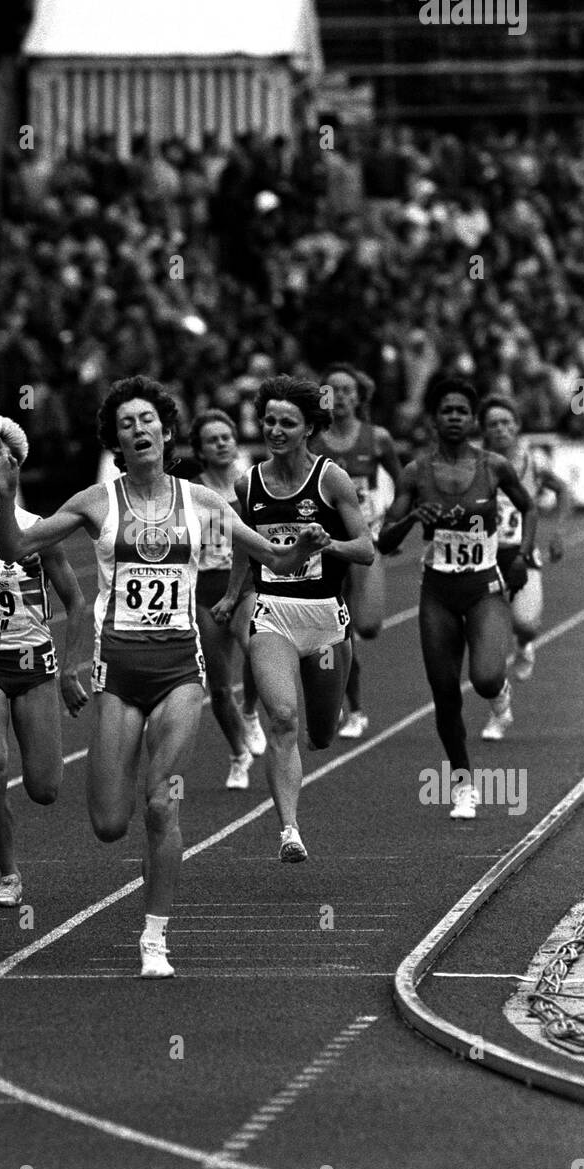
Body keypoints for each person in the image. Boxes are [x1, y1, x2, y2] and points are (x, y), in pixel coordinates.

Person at [0, 374, 329, 978]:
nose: (138, 430)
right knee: (110, 823)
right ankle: (149, 876)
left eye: (148, 420)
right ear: (116, 440)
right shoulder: (95, 502)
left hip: (179, 673)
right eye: (126, 423)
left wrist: (303, 547)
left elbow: (274, 559)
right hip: (118, 675)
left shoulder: (203, 503)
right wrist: (6, 493)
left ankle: (154, 936)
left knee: (162, 806)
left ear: (167, 433)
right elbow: (13, 548)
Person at [213, 375, 375, 864]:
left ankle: (325, 729)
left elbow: (366, 549)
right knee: (282, 717)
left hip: (326, 620)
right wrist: (231, 594)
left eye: (288, 422)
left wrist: (330, 544)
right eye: (269, 421)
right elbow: (246, 545)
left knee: (320, 734)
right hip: (274, 615)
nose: (276, 430)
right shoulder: (250, 483)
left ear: (308, 428)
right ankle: (289, 829)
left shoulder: (330, 479)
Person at [378, 378, 536, 820]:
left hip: (484, 585)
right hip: (438, 592)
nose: (453, 417)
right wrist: (411, 517)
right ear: (434, 419)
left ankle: (500, 693)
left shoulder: (495, 466)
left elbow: (528, 507)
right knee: (445, 692)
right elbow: (384, 542)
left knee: (484, 679)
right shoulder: (415, 472)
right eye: (446, 410)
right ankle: (464, 785)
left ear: (472, 420)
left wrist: (523, 554)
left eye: (461, 411)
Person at [0, 415, 89, 906]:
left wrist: (70, 669)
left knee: (44, 788)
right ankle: (9, 876)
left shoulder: (37, 530)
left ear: (16, 466)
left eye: (2, 459)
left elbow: (77, 603)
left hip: (34, 664)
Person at [318, 363, 403, 739]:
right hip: (325, 545)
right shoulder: (313, 440)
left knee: (366, 626)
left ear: (359, 396)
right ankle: (352, 708)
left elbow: (405, 485)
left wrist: (393, 527)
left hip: (364, 540)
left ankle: (344, 699)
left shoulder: (378, 438)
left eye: (348, 390)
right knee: (338, 630)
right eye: (332, 389)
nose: (340, 397)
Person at [478, 394, 570, 736]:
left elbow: (564, 492)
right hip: (483, 560)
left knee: (526, 623)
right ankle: (499, 713)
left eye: (506, 422)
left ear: (517, 426)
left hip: (523, 554)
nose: (501, 429)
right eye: (493, 424)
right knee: (489, 644)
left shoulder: (532, 463)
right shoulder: (475, 462)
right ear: (483, 430)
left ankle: (526, 643)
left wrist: (558, 532)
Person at [189, 409, 266, 790]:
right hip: (204, 590)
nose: (221, 444)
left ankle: (250, 711)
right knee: (219, 688)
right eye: (212, 440)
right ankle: (238, 754)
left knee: (255, 648)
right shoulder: (191, 492)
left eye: (226, 437)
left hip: (245, 583)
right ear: (201, 451)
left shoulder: (251, 485)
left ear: (236, 442)